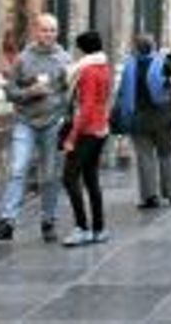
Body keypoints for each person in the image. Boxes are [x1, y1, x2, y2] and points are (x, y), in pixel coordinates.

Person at [0, 13, 72, 242]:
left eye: (53, 30)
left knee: (49, 174)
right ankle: (7, 220)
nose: (49, 35)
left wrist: (64, 111)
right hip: (25, 121)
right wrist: (28, 92)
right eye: (45, 30)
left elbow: (71, 93)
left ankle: (48, 220)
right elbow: (9, 92)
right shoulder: (23, 59)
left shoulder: (64, 60)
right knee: (18, 169)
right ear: (36, 32)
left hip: (52, 122)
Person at [114, 33, 171, 209]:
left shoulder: (130, 65)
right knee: (166, 155)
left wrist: (122, 116)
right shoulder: (161, 63)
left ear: (136, 48)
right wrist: (169, 53)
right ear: (152, 46)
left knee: (145, 157)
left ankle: (150, 196)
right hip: (162, 117)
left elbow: (122, 93)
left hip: (138, 118)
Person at [59, 31, 113, 246]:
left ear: (82, 49)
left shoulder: (88, 71)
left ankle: (82, 227)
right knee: (91, 179)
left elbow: (87, 106)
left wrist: (72, 137)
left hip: (87, 131)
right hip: (101, 128)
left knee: (69, 177)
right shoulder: (103, 67)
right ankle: (99, 228)